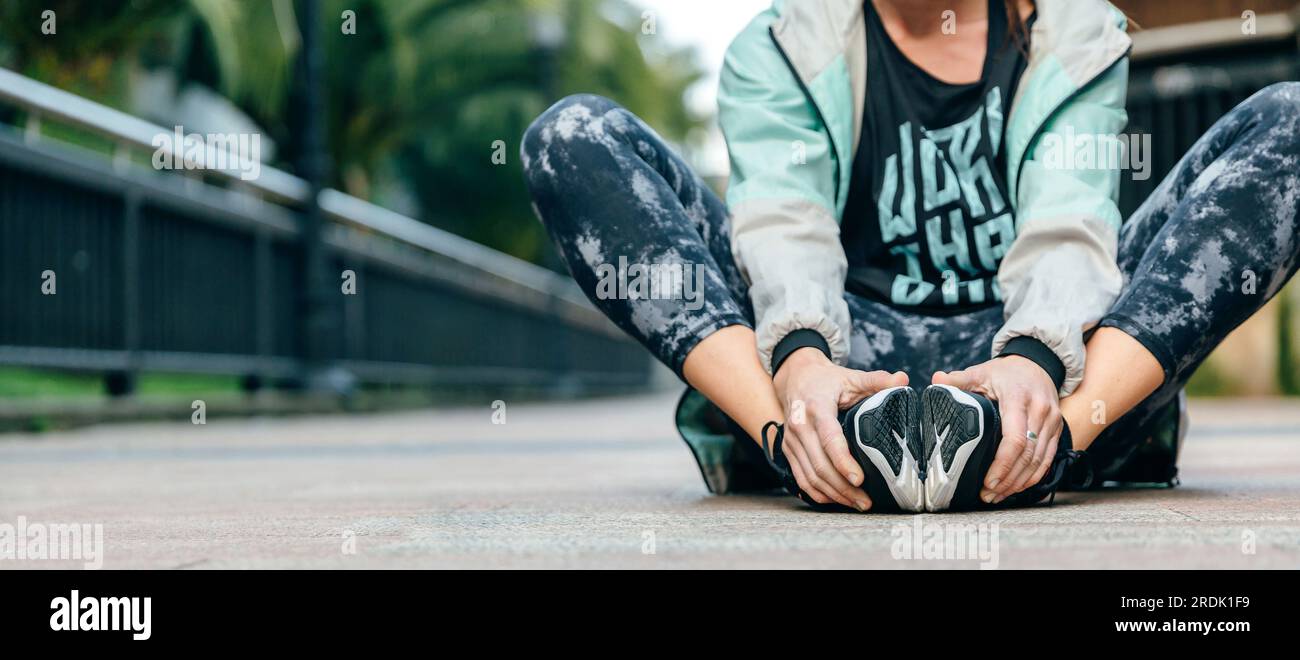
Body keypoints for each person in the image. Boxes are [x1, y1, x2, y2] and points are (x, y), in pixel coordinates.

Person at [520, 0, 1300, 512]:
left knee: (1289, 122)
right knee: (573, 137)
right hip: (844, 367)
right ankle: (796, 445)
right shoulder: (783, 44)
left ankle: (1052, 444)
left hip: (1046, 373)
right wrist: (800, 370)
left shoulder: (1074, 29)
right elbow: (784, 224)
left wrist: (1034, 361)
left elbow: (1071, 222)